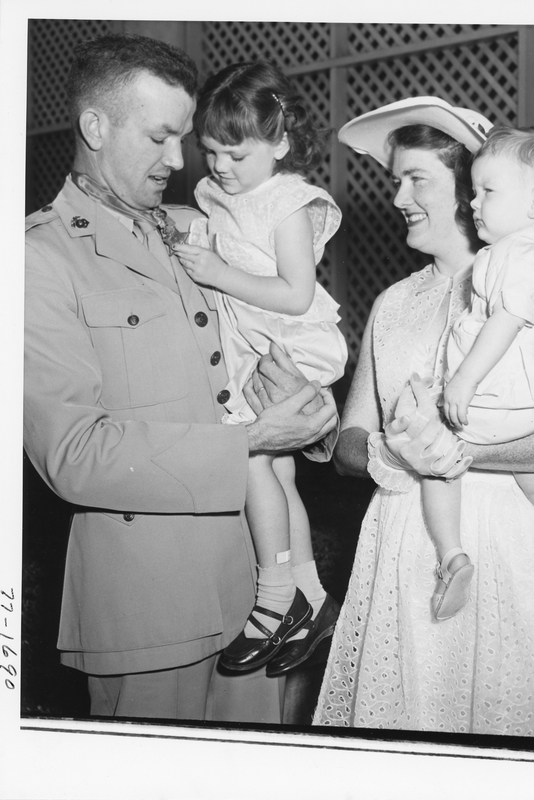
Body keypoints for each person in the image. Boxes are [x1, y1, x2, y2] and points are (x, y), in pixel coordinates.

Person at [23, 33, 337, 723]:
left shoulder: (206, 227)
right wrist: (253, 440)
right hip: (148, 611)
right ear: (95, 127)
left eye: (183, 138)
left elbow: (284, 340)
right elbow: (72, 454)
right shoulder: (39, 259)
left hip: (254, 598)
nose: (179, 159)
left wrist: (307, 410)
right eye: (160, 137)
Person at [313, 97, 534, 736]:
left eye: (416, 179)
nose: (398, 198)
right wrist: (393, 452)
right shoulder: (394, 301)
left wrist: (450, 453)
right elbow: (349, 444)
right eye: (397, 181)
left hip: (517, 538)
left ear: (472, 182)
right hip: (406, 545)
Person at [173, 61, 346, 676]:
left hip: (287, 343)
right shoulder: (219, 192)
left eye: (237, 154)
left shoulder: (288, 204)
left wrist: (221, 274)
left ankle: (273, 597)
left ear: (280, 143)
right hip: (250, 341)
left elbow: (296, 294)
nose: (220, 166)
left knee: (249, 460)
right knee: (278, 472)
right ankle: (312, 600)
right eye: (210, 151)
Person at [412, 124, 534, 621]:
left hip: (500, 397)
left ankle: (452, 557)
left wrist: (463, 381)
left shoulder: (513, 252)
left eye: (487, 191)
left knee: (435, 457)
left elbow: (507, 319)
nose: (472, 202)